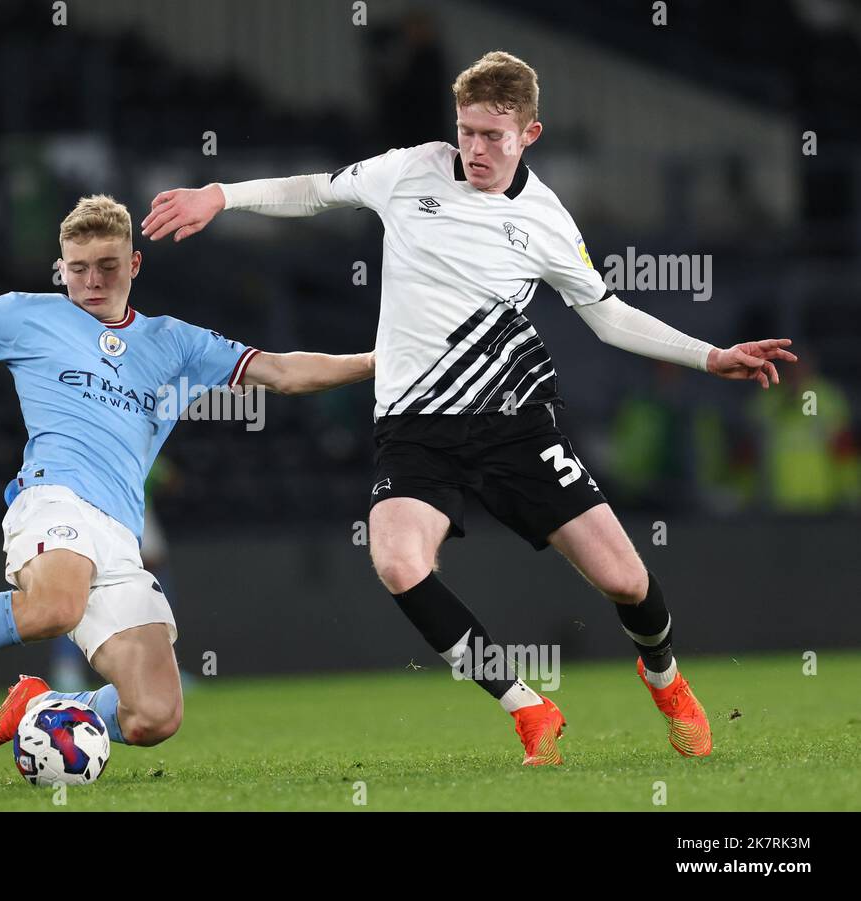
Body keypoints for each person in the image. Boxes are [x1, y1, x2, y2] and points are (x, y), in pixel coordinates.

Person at [140, 51, 798, 765]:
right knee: (396, 560)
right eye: (467, 132)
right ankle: (528, 708)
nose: (476, 149)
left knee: (626, 580)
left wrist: (711, 355)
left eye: (493, 135)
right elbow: (318, 189)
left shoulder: (544, 219)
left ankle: (666, 680)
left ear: (530, 133)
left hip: (514, 423)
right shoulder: (410, 169)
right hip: (415, 429)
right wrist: (221, 195)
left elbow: (607, 315)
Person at [0, 195, 374, 765]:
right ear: (61, 267)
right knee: (55, 607)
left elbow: (283, 371)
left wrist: (376, 362)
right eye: (78, 268)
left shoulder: (175, 342)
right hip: (51, 495)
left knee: (154, 717)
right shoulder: (23, 316)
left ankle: (36, 707)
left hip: (119, 528)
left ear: (134, 263)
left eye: (108, 267)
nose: (92, 281)